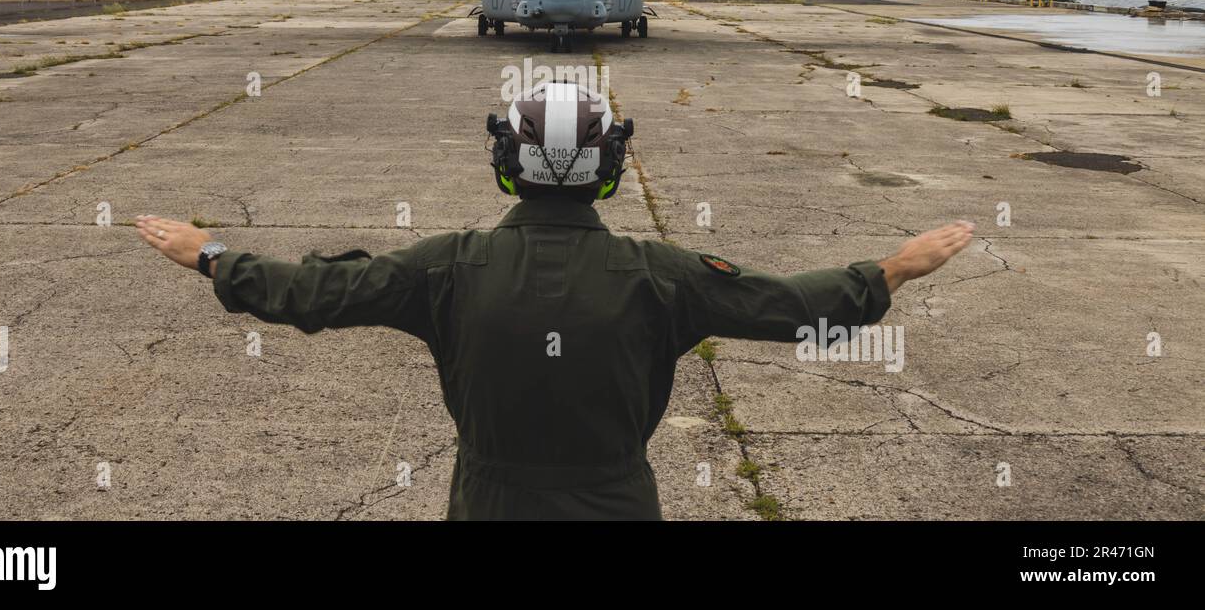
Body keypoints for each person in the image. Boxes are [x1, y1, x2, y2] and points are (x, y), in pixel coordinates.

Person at [137, 81, 974, 520]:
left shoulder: (446, 268)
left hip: (491, 502)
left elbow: (315, 293)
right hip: (614, 499)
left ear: (508, 163)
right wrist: (889, 270)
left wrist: (214, 257)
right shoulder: (662, 275)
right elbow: (789, 307)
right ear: (608, 168)